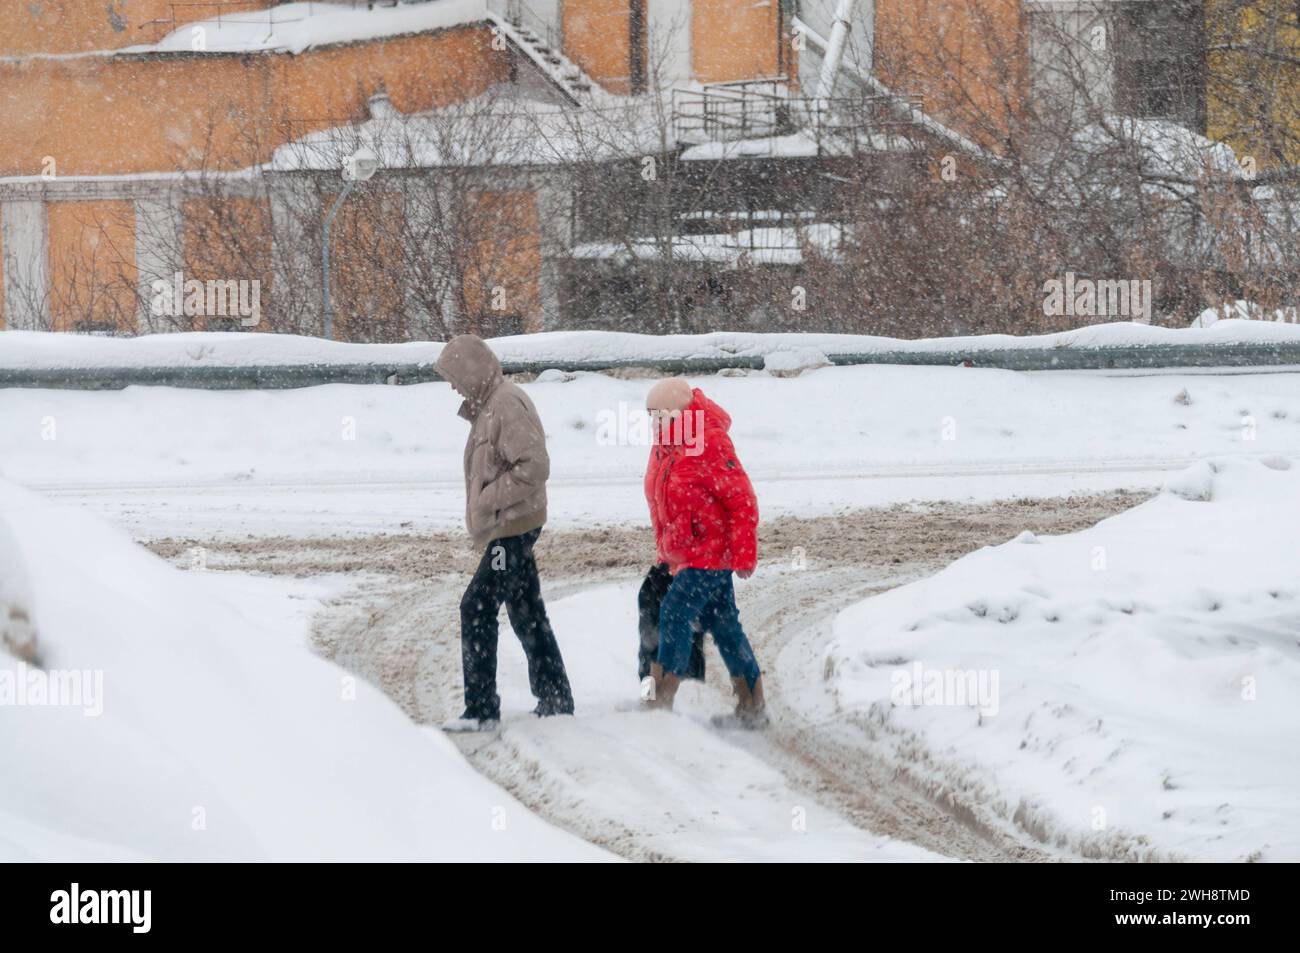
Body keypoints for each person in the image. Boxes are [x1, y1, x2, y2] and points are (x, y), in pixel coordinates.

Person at [435, 334, 574, 731]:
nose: (452, 385)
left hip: (513, 529)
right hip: (511, 526)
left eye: (454, 375)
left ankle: (481, 710)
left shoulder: (505, 405)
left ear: (472, 371)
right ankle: (555, 696)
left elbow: (534, 465)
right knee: (525, 609)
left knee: (476, 607)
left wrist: (487, 501)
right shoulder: (488, 406)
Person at [641, 378, 767, 727]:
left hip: (710, 555)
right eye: (651, 416)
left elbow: (742, 500)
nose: (654, 424)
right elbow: (661, 504)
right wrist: (666, 551)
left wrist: (744, 555)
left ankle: (660, 703)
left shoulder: (708, 442)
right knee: (725, 628)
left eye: (660, 416)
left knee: (673, 614)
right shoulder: (665, 447)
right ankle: (752, 707)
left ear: (681, 414)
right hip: (690, 555)